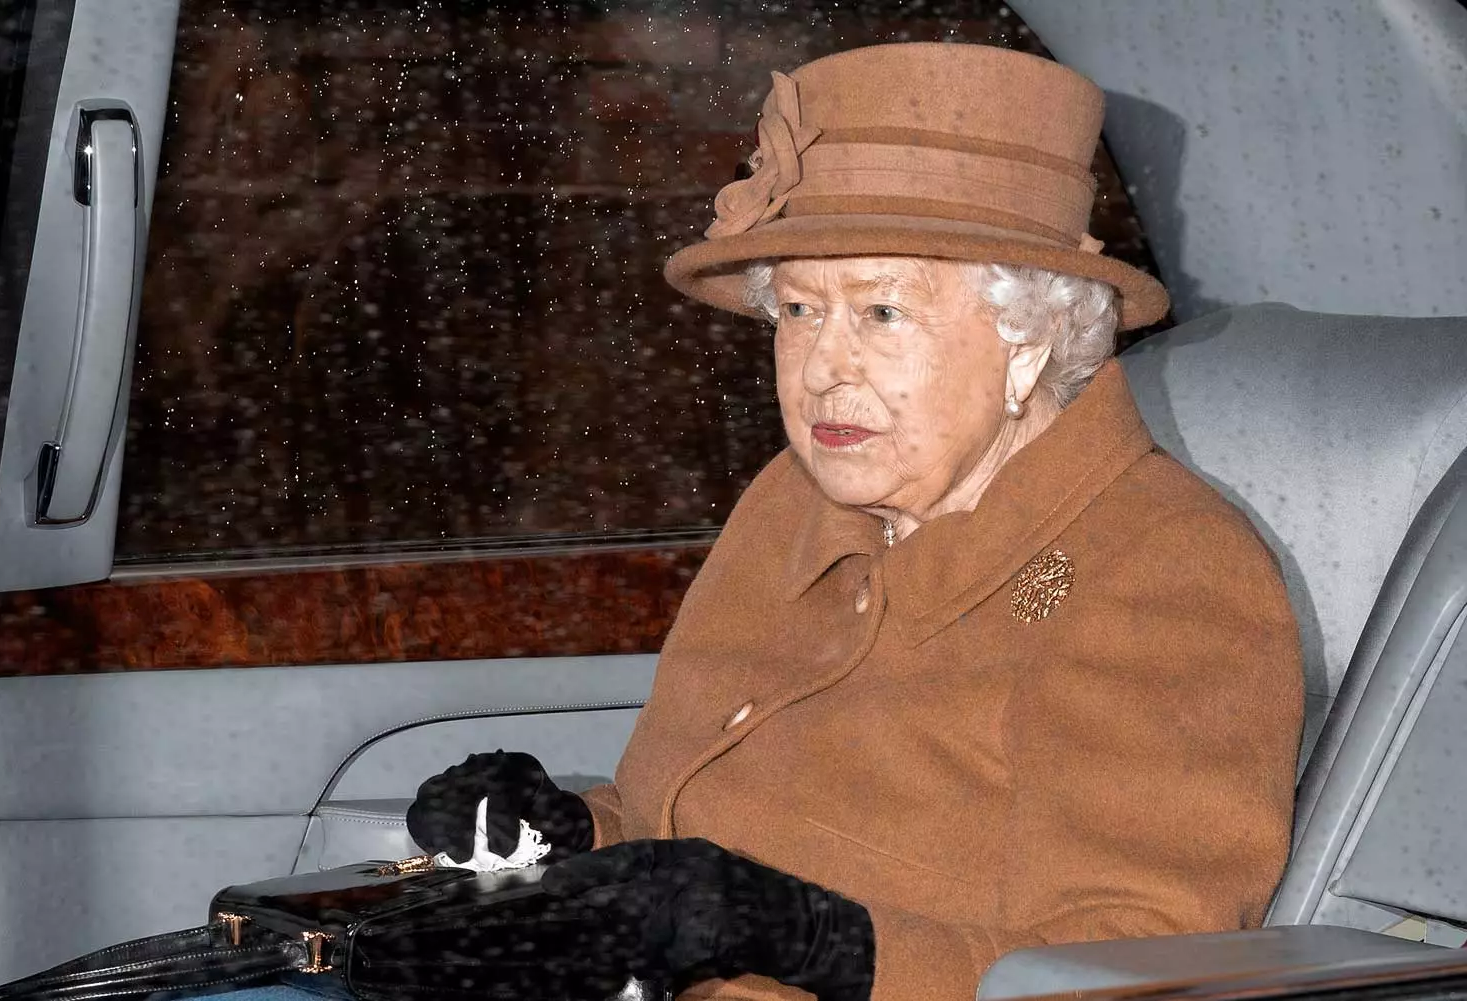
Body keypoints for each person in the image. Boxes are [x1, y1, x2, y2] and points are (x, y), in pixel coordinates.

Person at [230, 40, 1303, 1001]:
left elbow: (1135, 967)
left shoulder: (1164, 567)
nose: (823, 366)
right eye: (797, 309)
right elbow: (703, 837)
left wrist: (808, 939)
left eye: (881, 310)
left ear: (1028, 338)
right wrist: (567, 829)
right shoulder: (796, 497)